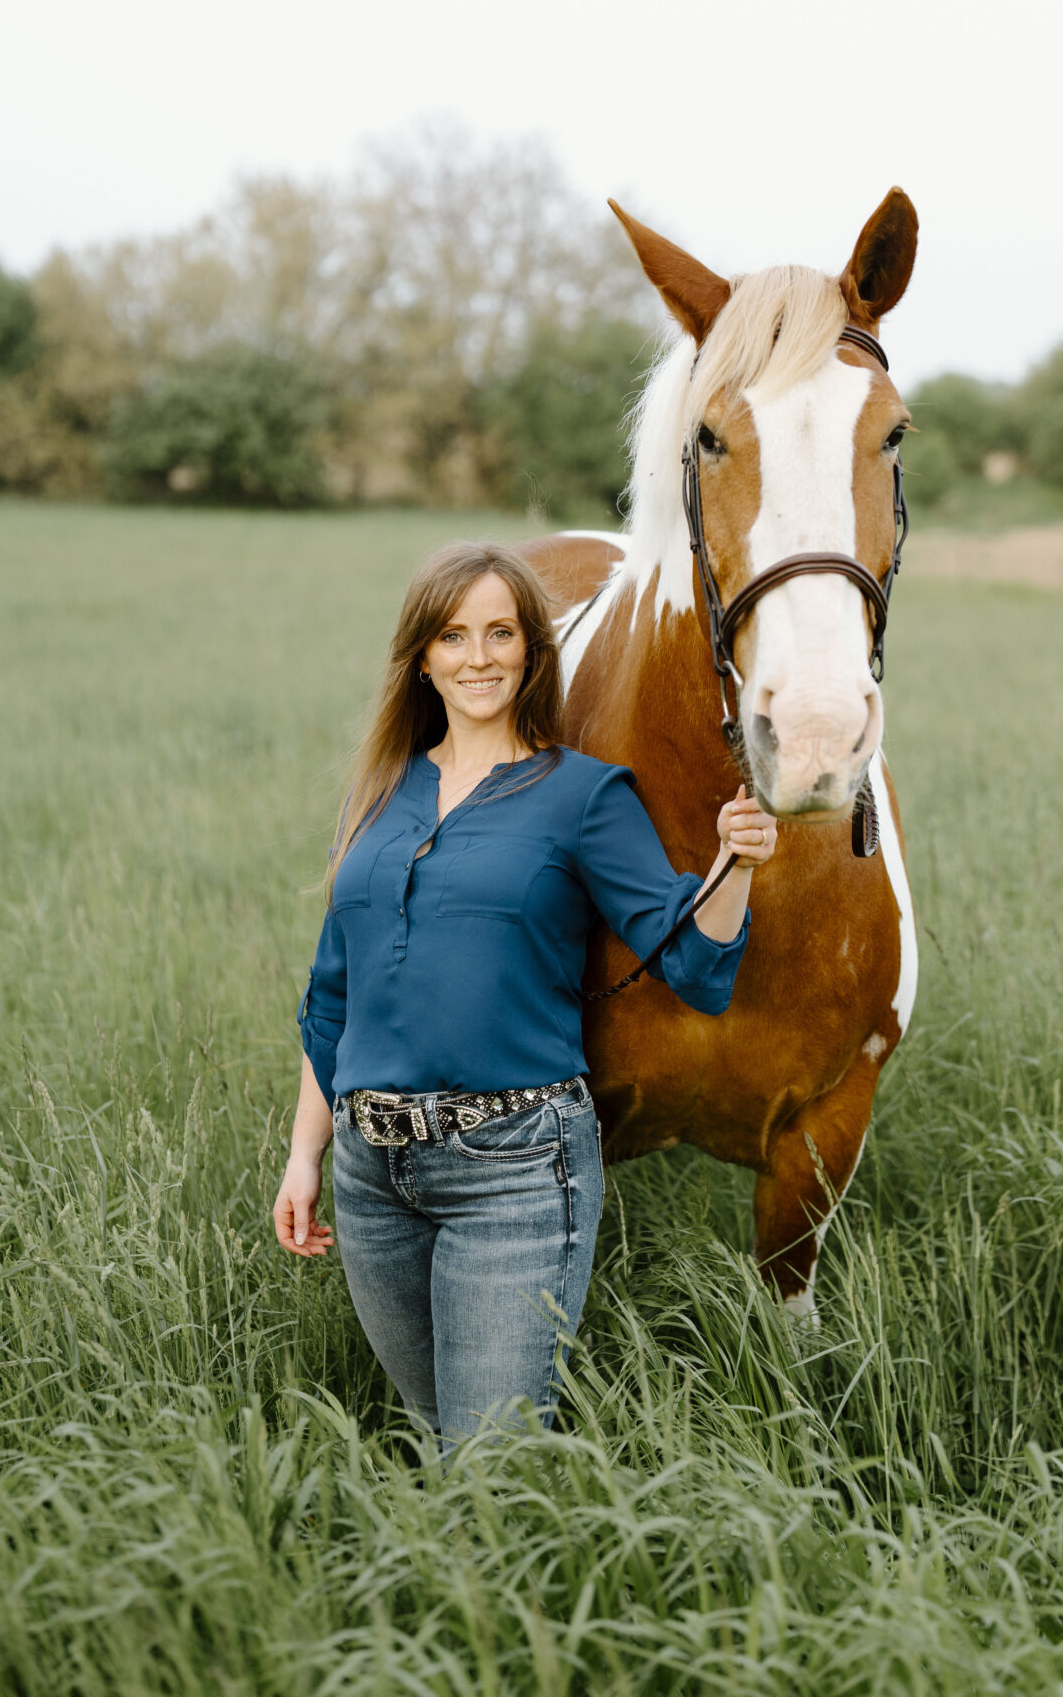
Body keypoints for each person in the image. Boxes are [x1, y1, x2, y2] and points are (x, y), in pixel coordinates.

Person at [273, 540, 777, 1449]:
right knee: (434, 1438)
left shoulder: (582, 796)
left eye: (501, 632)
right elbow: (332, 999)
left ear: (532, 650)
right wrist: (305, 1155)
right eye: (454, 636)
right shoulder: (380, 793)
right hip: (371, 1170)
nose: (479, 657)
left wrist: (733, 863)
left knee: (493, 1460)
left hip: (514, 1171)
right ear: (421, 656)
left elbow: (691, 962)